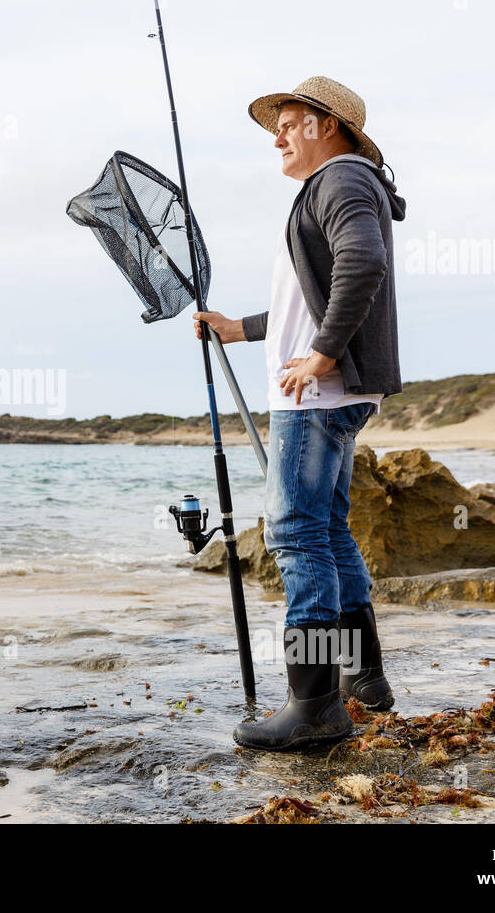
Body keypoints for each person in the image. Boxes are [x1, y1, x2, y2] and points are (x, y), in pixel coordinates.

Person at [193, 76, 405, 750]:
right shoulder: (337, 186)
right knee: (329, 533)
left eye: (289, 122)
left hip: (317, 397)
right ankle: (362, 680)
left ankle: (313, 708)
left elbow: (362, 264)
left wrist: (319, 355)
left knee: (296, 538)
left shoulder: (339, 180)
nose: (278, 135)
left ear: (329, 125)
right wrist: (239, 329)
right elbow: (307, 302)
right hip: (337, 394)